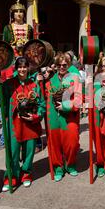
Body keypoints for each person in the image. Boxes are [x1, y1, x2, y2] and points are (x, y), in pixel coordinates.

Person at [0, 57, 45, 191]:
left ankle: (26, 175)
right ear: (16, 68)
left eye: (24, 67)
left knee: (29, 152)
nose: (22, 69)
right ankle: (11, 177)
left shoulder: (34, 84)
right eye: (19, 67)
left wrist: (36, 116)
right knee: (12, 152)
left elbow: (41, 104)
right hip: (14, 125)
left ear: (28, 68)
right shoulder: (9, 84)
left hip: (30, 124)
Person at [45, 52, 82, 182]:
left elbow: (79, 99)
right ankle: (58, 168)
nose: (62, 67)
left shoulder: (74, 79)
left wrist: (66, 106)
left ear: (69, 65)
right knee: (55, 144)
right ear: (55, 66)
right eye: (59, 65)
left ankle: (70, 165)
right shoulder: (50, 81)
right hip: (54, 117)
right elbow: (45, 100)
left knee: (72, 142)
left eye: (64, 64)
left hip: (70, 116)